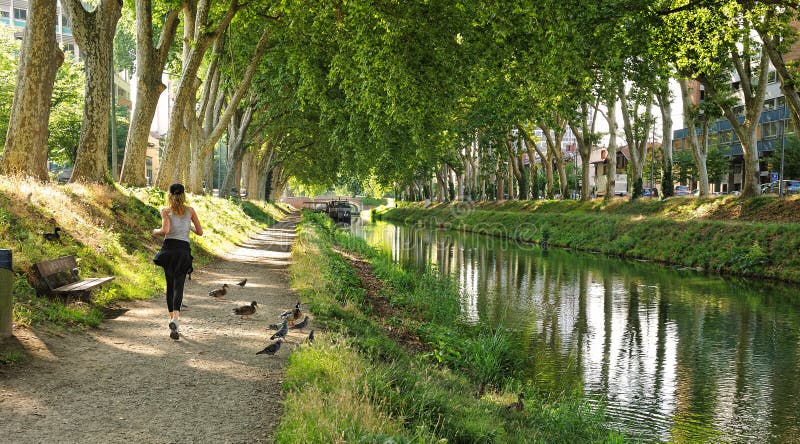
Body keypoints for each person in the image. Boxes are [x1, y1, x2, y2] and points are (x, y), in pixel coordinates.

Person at [152, 183, 203, 340]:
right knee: (179, 287)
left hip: (169, 250)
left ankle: (171, 319)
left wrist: (155, 231)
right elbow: (200, 232)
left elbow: (166, 231)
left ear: (170, 195)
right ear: (183, 195)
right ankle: (175, 320)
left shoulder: (165, 210)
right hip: (183, 251)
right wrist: (189, 227)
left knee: (170, 286)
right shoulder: (190, 210)